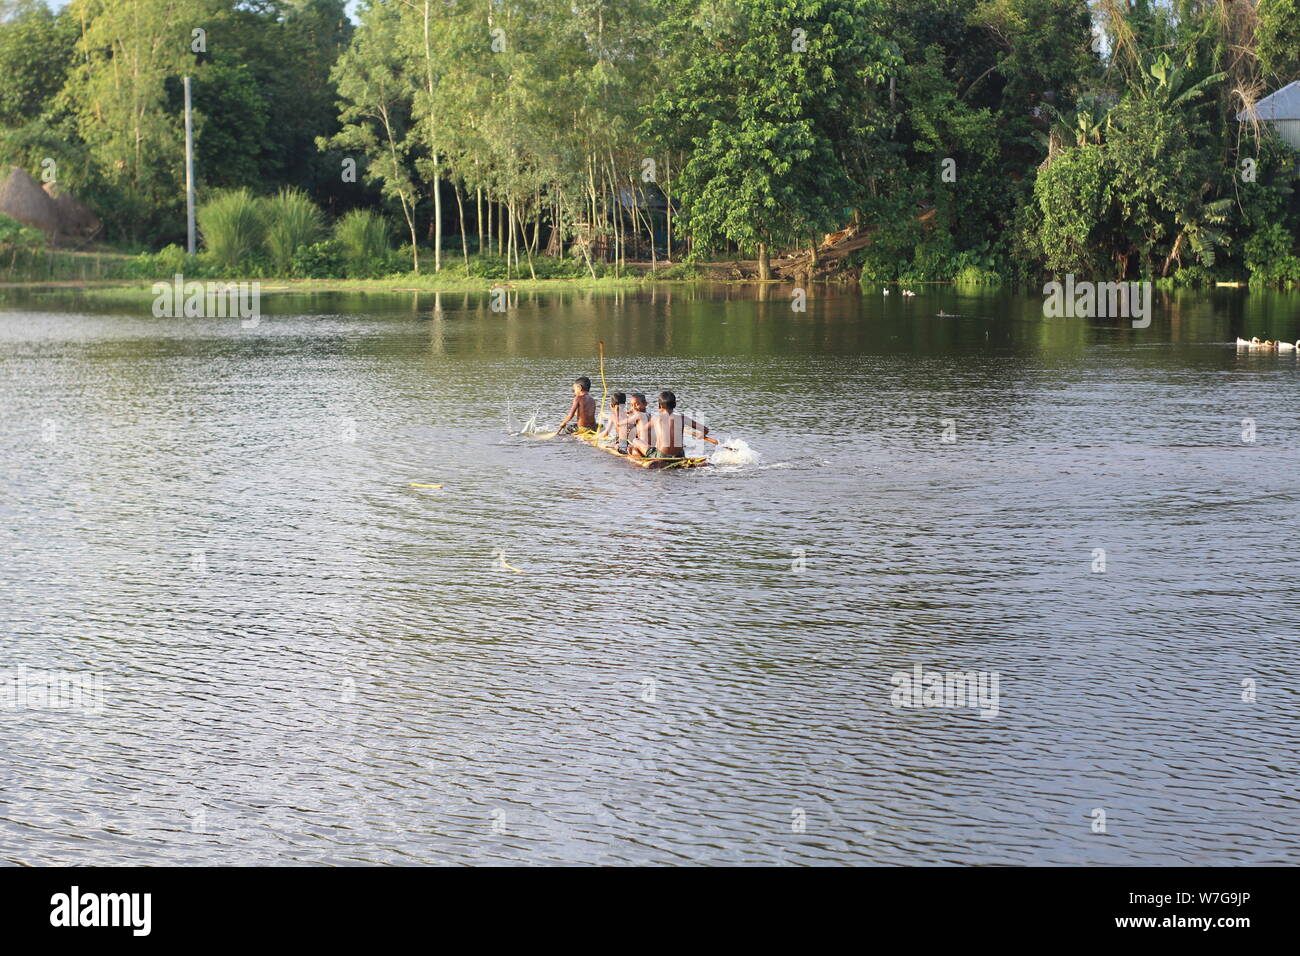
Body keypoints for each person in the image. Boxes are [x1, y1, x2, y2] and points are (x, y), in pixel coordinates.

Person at [647, 390, 709, 458]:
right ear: (675, 405)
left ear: (659, 406)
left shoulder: (656, 418)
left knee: (637, 441)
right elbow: (705, 429)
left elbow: (643, 430)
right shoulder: (682, 418)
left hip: (662, 455)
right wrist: (701, 435)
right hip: (679, 455)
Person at [624, 392, 652, 457]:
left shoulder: (638, 415)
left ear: (645, 404)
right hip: (650, 446)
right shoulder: (649, 415)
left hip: (643, 447)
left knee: (630, 448)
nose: (634, 407)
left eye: (637, 404)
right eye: (632, 405)